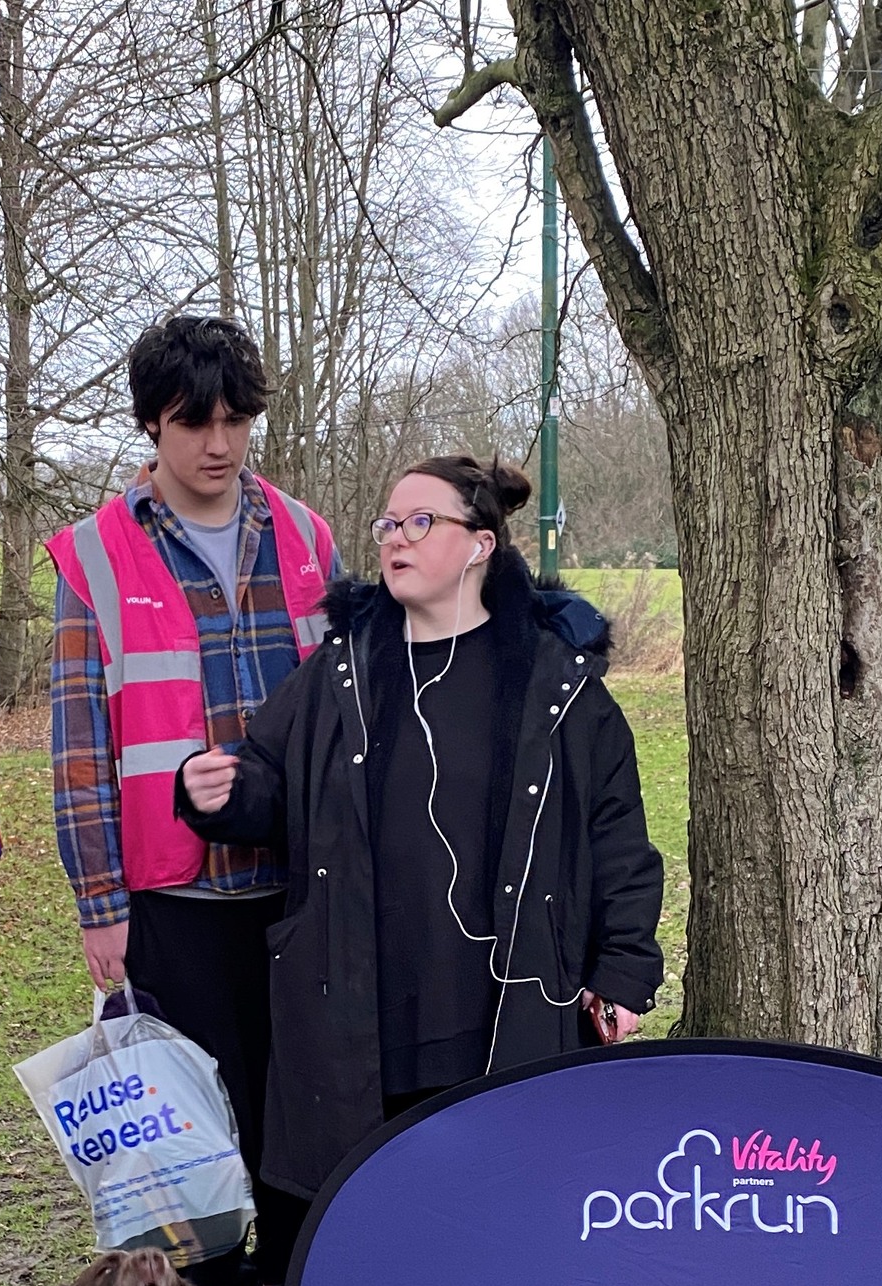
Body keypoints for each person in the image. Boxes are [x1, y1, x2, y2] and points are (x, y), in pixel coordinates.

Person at [176, 453, 665, 1208]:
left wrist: (624, 971)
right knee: (380, 1218)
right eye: (387, 524)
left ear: (479, 544)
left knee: (504, 1214)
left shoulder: (556, 681)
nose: (394, 539)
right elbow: (273, 785)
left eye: (420, 522)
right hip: (364, 1014)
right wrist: (217, 794)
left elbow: (618, 840)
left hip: (510, 1011)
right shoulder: (344, 668)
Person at [47, 314, 339, 1286]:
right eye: (193, 422)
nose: (218, 443)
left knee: (297, 1108)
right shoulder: (93, 555)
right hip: (170, 899)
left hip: (295, 888)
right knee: (186, 1130)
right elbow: (79, 744)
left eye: (236, 419)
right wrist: (100, 906)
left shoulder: (306, 536)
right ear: (151, 425)